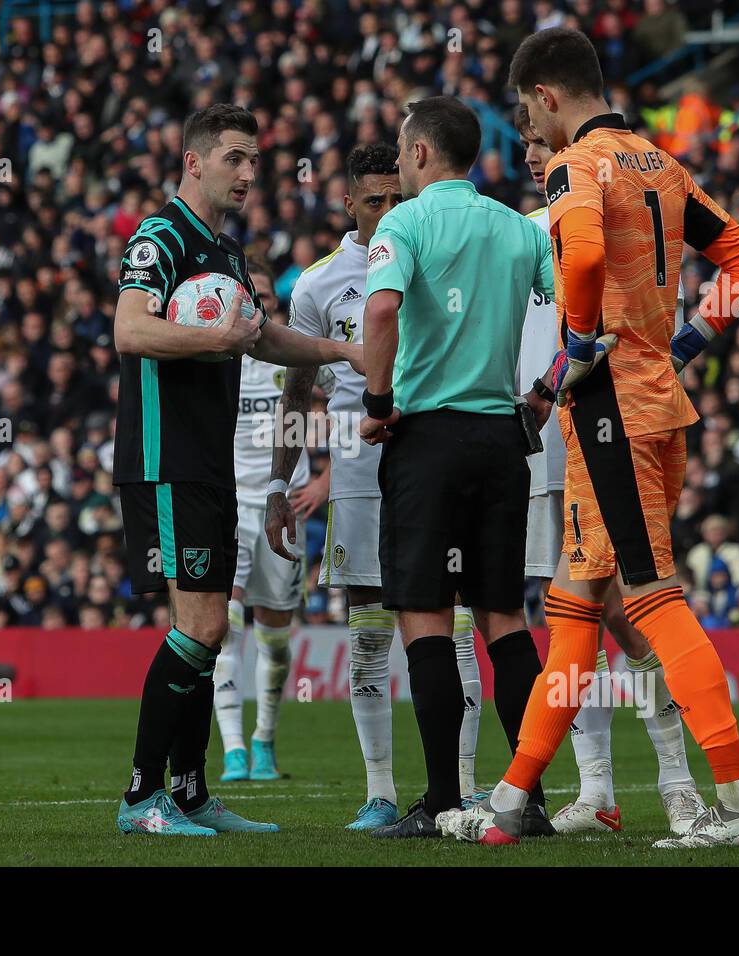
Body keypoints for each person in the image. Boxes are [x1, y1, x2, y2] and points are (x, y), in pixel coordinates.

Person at [441, 28, 739, 849]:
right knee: (574, 606)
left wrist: (581, 342)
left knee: (654, 599)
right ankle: (516, 798)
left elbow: (582, 252)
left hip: (610, 410)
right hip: (656, 401)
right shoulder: (660, 163)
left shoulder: (573, 167)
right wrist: (689, 341)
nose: (532, 126)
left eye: (527, 110)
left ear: (547, 97)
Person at [112, 104, 363, 837]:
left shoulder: (224, 252)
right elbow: (129, 327)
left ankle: (190, 794)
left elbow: (264, 339)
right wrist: (214, 334)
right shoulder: (159, 238)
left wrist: (344, 354)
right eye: (234, 158)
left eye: (255, 159)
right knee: (202, 624)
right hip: (165, 458)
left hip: (209, 462)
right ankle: (139, 798)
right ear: (194, 162)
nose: (250, 172)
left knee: (211, 630)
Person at [266, 143, 493, 830]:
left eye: (400, 199)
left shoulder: (441, 255)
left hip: (436, 461)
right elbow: (298, 390)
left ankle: (465, 785)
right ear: (349, 206)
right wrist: (282, 483)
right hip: (360, 473)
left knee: (453, 626)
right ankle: (380, 791)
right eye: (376, 202)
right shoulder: (317, 284)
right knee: (368, 631)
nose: (391, 212)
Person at [355, 96, 553, 839]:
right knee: (504, 616)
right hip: (502, 438)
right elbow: (579, 319)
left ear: (420, 154)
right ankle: (526, 798)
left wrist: (377, 403)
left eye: (404, 151)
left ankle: (441, 800)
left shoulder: (402, 224)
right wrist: (543, 391)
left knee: (426, 614)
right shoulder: (513, 224)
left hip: (427, 438)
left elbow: (380, 314)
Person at [513, 104, 706, 836]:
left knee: (631, 612)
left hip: (611, 431)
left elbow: (649, 319)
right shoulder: (522, 232)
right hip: (548, 447)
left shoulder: (608, 214)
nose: (534, 156)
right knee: (571, 620)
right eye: (525, 146)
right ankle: (595, 792)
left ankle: (679, 783)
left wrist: (685, 346)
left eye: (540, 141)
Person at [212, 256, 320, 783]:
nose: (256, 304)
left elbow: (338, 415)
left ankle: (264, 740)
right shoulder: (218, 358)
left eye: (263, 298)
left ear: (272, 305)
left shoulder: (289, 359)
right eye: (246, 295)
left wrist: (324, 481)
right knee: (226, 628)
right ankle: (233, 747)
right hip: (231, 509)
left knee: (275, 638)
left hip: (284, 507)